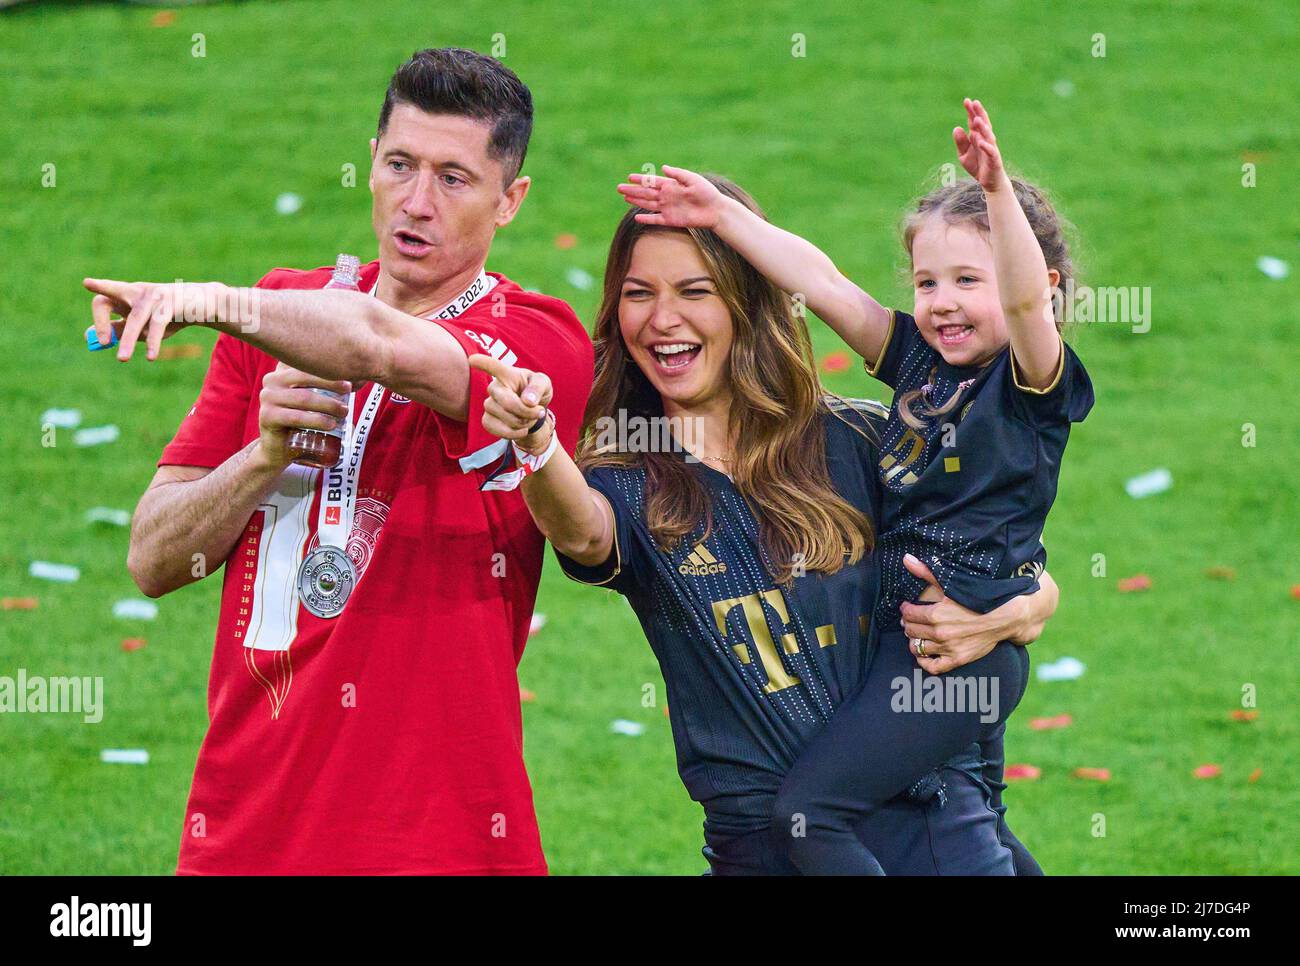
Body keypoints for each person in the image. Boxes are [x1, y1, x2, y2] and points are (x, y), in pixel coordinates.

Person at [82, 48, 594, 874]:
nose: (416, 202)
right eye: (400, 165)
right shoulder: (281, 315)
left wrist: (210, 302)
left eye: (454, 179)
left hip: (442, 839)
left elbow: (378, 342)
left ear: (511, 202)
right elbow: (152, 558)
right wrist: (264, 456)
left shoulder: (536, 341)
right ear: (370, 166)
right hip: (245, 828)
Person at [463, 173, 1060, 874]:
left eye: (694, 291)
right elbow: (583, 532)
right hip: (764, 850)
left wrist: (1011, 612)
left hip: (933, 829)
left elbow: (1008, 565)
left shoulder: (861, 438)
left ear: (747, 303)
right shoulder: (627, 476)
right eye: (637, 293)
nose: (661, 319)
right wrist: (537, 445)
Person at [618, 99, 1092, 874]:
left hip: (956, 653)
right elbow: (823, 280)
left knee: (811, 815)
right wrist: (724, 218)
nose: (941, 300)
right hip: (924, 642)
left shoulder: (1028, 387)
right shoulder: (916, 365)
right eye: (927, 280)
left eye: (968, 279)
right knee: (983, 829)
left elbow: (1026, 303)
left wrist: (999, 192)